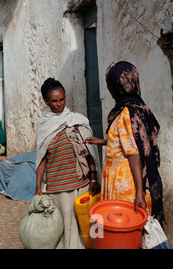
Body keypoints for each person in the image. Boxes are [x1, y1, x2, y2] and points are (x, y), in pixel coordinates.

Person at [84, 61, 165, 225]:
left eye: (109, 83)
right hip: (129, 179)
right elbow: (129, 141)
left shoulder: (126, 111)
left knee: (124, 228)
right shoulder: (138, 106)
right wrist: (104, 142)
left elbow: (133, 152)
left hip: (125, 183)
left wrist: (139, 193)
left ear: (116, 85)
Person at [35, 78, 101, 249]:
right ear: (46, 102)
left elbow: (89, 152)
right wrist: (38, 187)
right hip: (58, 188)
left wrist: (94, 177)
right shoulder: (44, 126)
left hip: (81, 185)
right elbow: (42, 158)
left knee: (83, 228)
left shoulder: (77, 120)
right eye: (54, 101)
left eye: (62, 99)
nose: (59, 104)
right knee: (63, 229)